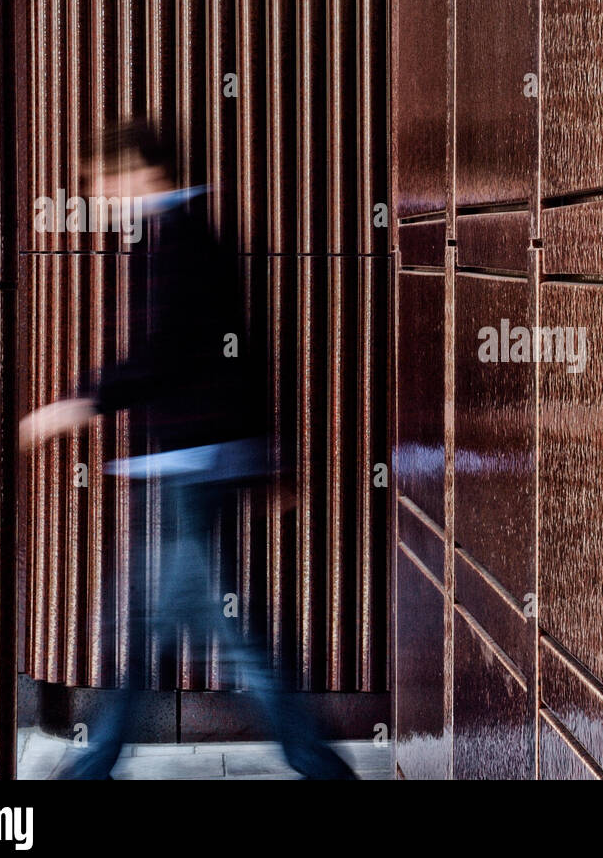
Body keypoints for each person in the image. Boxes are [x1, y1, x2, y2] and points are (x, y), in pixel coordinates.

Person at [18, 119, 355, 780]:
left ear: (138, 169)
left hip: (190, 463)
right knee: (173, 623)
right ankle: (101, 761)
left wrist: (75, 403)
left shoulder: (179, 241)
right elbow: (241, 353)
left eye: (103, 181)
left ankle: (99, 765)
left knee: (198, 627)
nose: (101, 195)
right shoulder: (185, 235)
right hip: (195, 460)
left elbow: (159, 357)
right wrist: (268, 454)